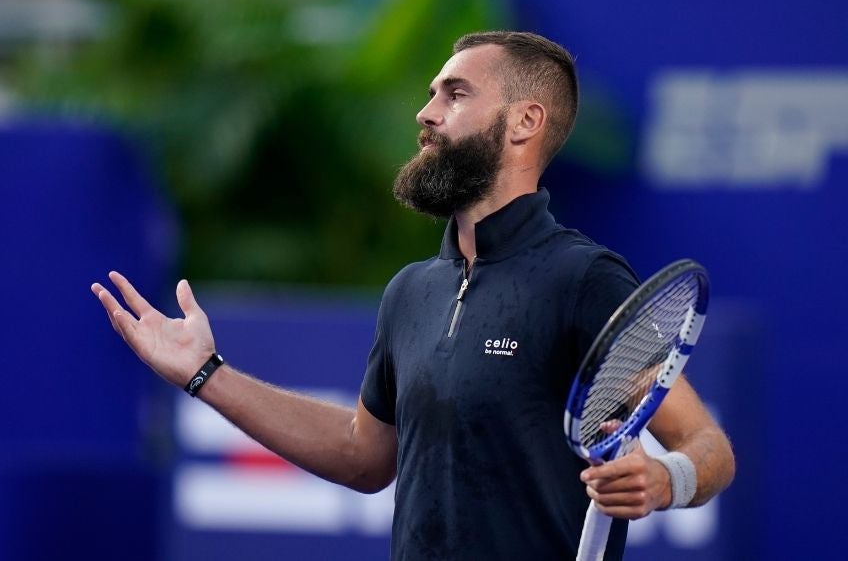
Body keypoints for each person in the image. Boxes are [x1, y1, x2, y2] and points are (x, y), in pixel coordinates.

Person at [92, 31, 734, 560]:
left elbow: (707, 445)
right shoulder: (410, 291)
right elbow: (362, 455)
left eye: (455, 94)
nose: (426, 114)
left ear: (524, 122)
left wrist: (664, 479)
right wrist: (206, 374)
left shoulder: (584, 279)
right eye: (431, 94)